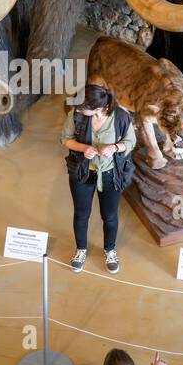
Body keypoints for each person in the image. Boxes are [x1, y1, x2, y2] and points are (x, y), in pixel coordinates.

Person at [61, 83, 137, 274]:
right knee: (81, 213)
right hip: (83, 172)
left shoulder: (121, 116)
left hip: (111, 174)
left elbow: (131, 142)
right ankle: (81, 249)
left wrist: (115, 148)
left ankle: (110, 250)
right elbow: (66, 139)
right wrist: (83, 149)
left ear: (99, 108)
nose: (78, 109)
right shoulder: (75, 115)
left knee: (109, 216)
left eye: (82, 107)